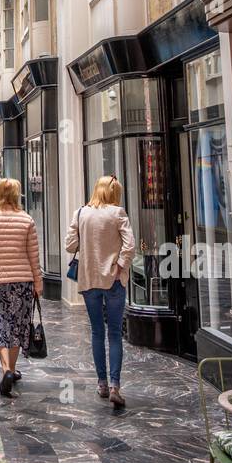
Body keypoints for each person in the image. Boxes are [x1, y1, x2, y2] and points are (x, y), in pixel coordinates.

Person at [65, 175, 135, 409]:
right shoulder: (118, 213)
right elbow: (130, 245)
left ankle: (102, 383)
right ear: (114, 193)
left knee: (97, 332)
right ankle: (115, 385)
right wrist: (121, 266)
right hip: (113, 279)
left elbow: (69, 245)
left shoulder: (81, 213)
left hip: (89, 278)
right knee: (114, 333)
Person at [0, 178, 42, 397]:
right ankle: (10, 370)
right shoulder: (26, 220)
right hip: (21, 282)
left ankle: (6, 370)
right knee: (17, 327)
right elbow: (34, 256)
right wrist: (38, 282)